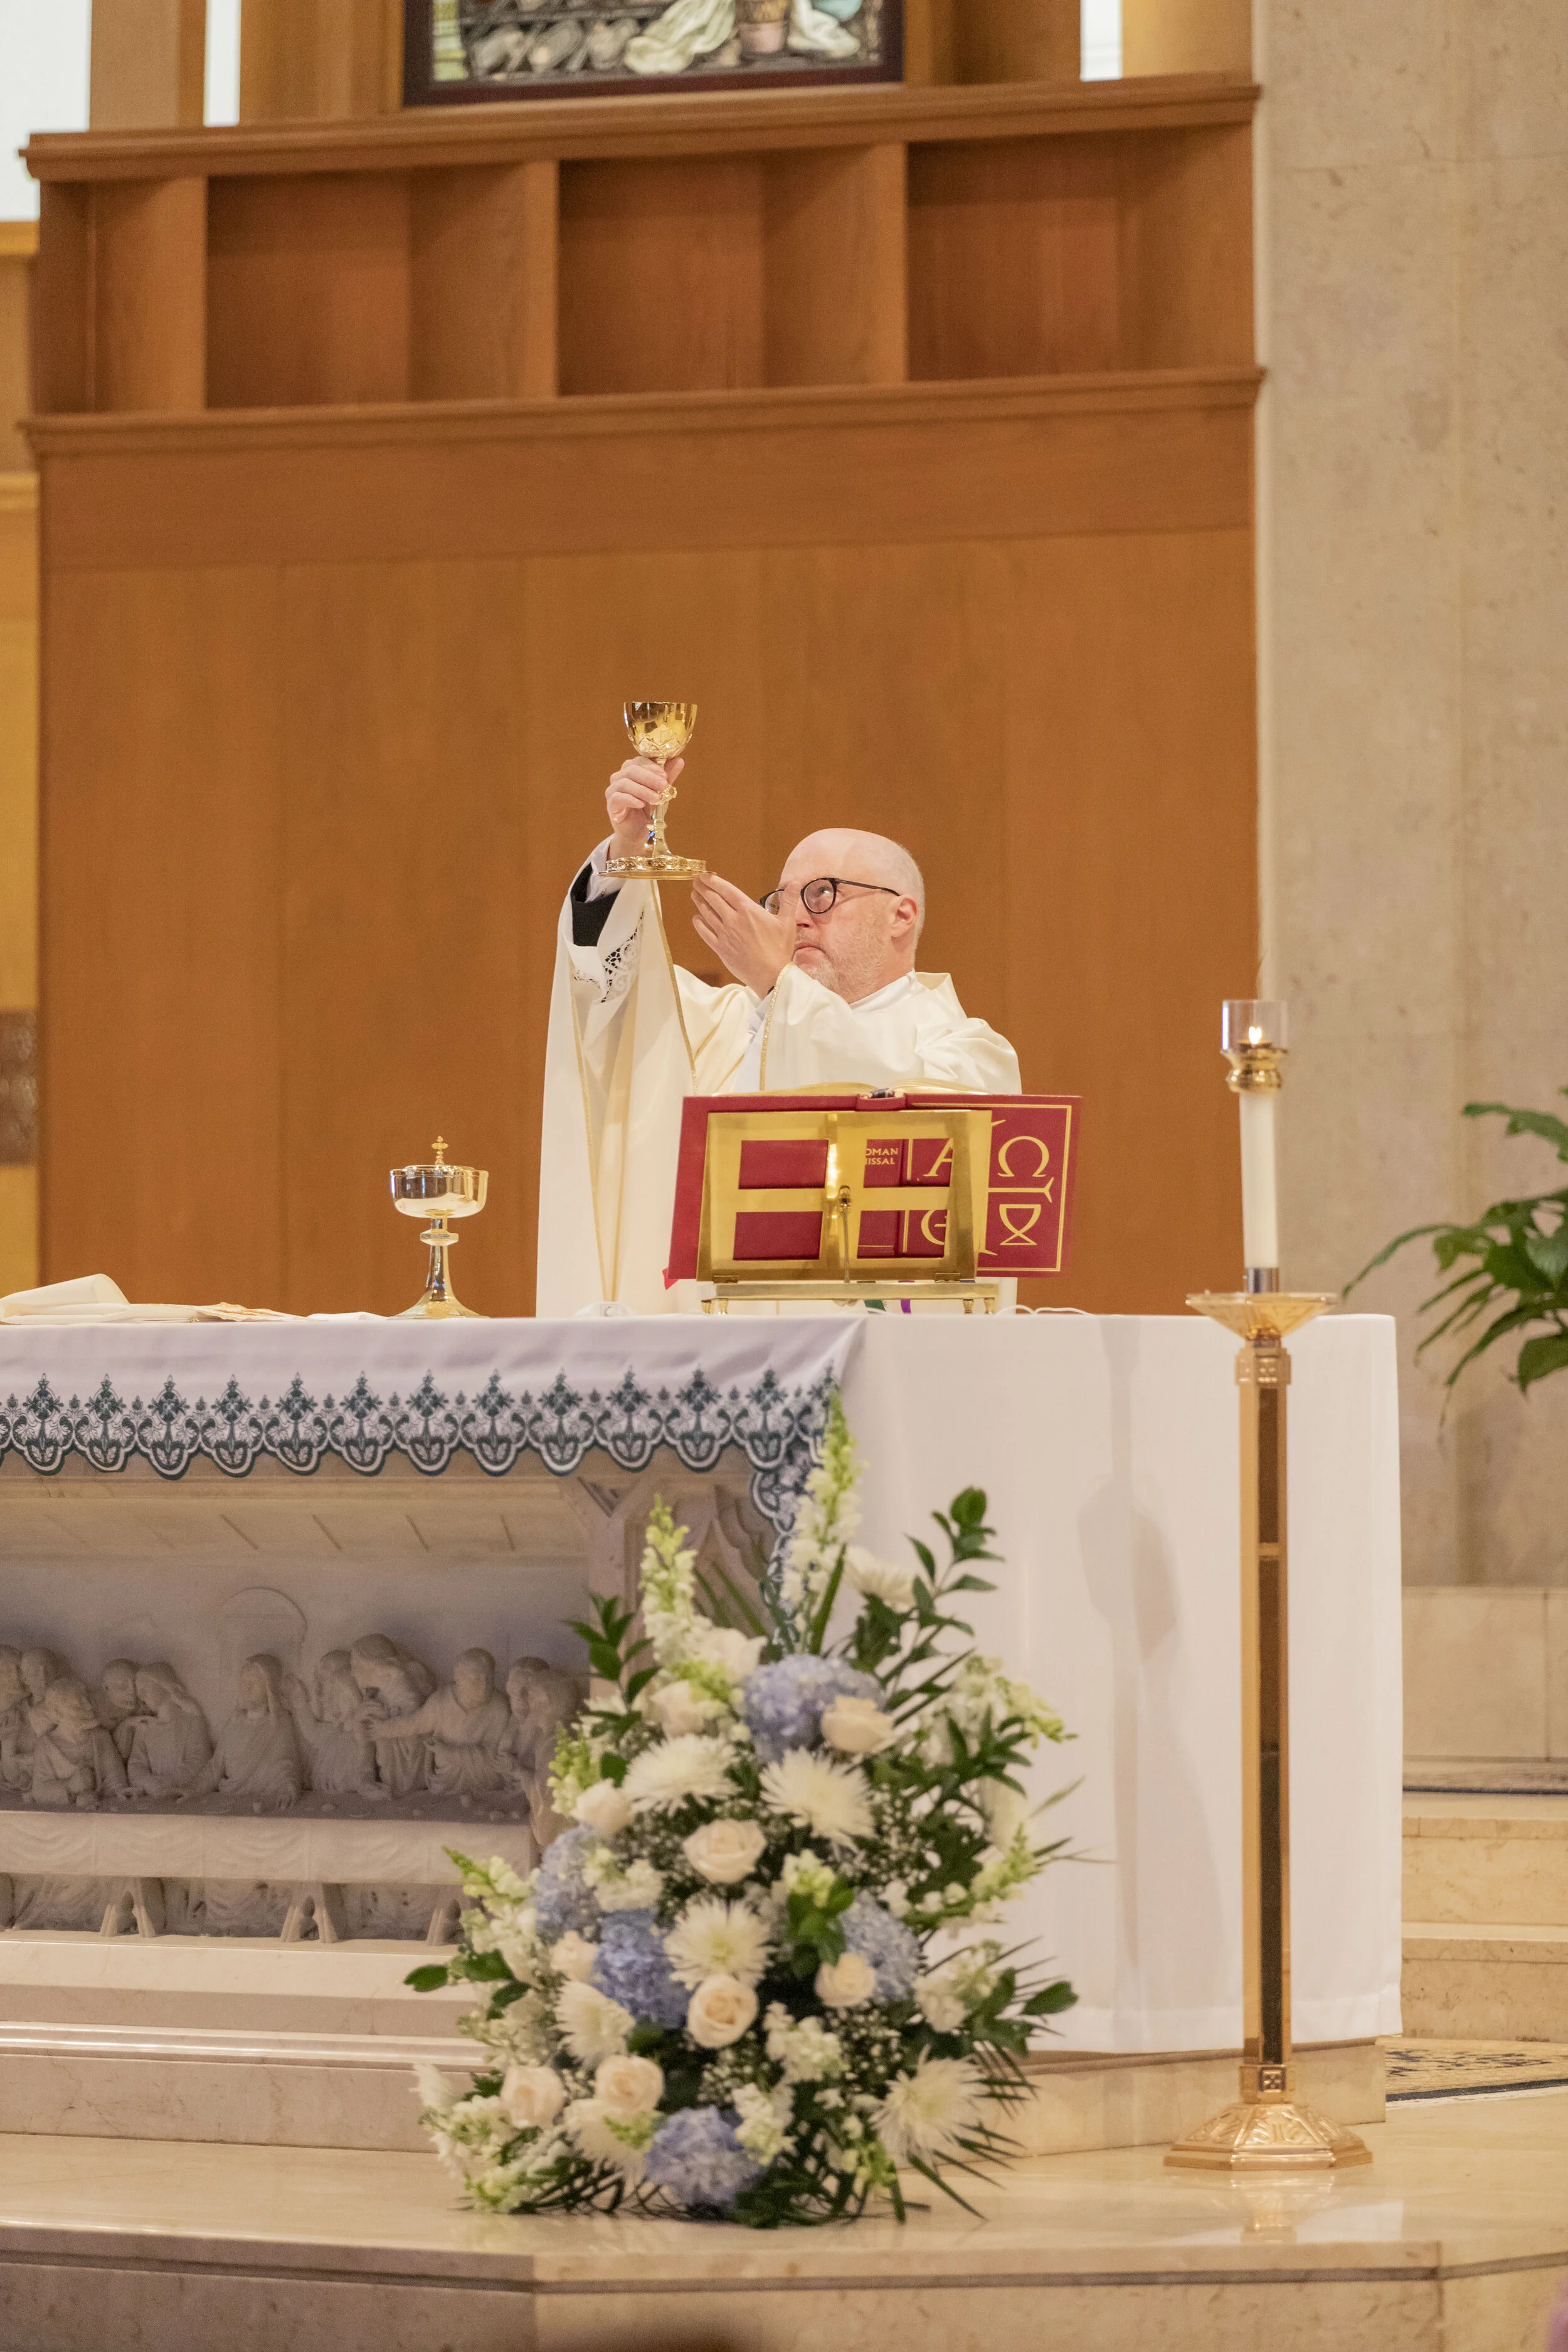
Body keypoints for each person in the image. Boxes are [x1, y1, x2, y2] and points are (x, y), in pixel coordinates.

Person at [539, 755, 1020, 1313]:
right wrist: (625, 855)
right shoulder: (729, 1022)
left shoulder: (969, 1054)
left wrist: (777, 983)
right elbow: (609, 1001)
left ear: (901, 915)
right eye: (782, 900)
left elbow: (891, 1102)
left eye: (822, 894)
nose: (793, 920)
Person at [181, 1655, 304, 1811]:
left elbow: (287, 1766)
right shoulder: (233, 1724)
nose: (246, 1689)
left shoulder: (280, 1724)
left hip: (266, 1803)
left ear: (269, 1687)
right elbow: (216, 1767)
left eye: (253, 1684)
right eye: (243, 1683)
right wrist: (193, 1790)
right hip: (230, 1801)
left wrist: (288, 1788)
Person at [390, 1648, 512, 1801]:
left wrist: (450, 1753)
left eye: (489, 1679)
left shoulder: (499, 1707)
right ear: (458, 1678)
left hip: (487, 1785)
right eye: (475, 1680)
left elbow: (495, 1758)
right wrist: (380, 1730)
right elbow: (413, 1724)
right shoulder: (441, 1701)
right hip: (446, 1782)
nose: (484, 1687)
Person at [125, 1663, 213, 1801]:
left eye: (145, 1688)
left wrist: (169, 1782)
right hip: (152, 1801)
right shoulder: (145, 1727)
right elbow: (136, 1764)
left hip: (184, 1799)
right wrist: (148, 1782)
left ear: (162, 1685)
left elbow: (200, 1761)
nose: (141, 1696)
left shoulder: (192, 1720)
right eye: (139, 1691)